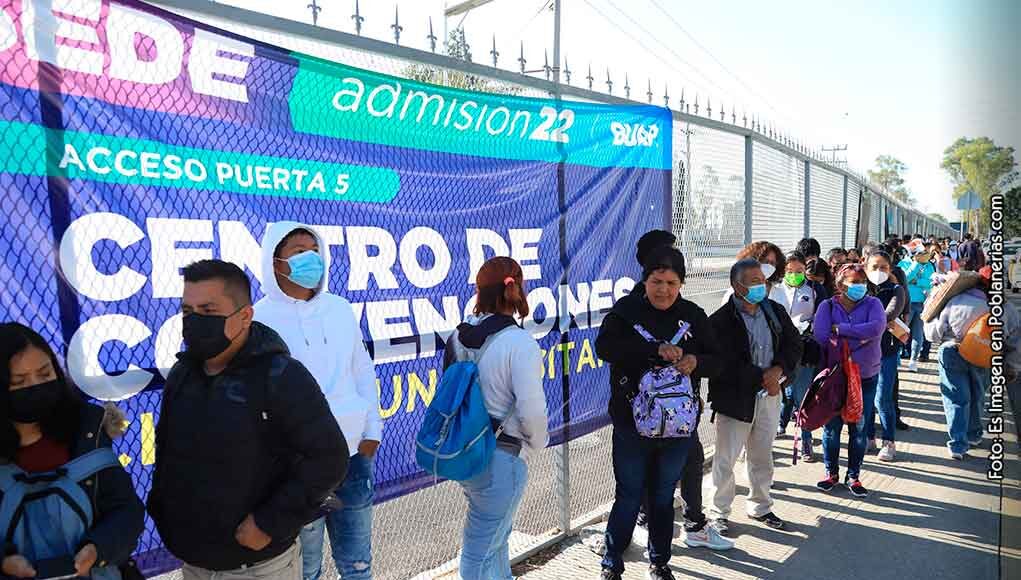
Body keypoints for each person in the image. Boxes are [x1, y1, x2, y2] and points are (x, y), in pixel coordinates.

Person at [148, 260, 348, 580]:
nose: (195, 320)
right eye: (188, 311)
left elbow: (329, 457)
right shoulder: (183, 375)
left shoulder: (281, 376)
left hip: (258, 568)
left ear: (245, 316)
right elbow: (169, 453)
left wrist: (270, 522)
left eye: (209, 310)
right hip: (194, 563)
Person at [253, 223, 381, 580]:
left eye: (314, 249)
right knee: (304, 569)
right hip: (296, 466)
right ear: (275, 261)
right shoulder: (260, 319)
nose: (311, 258)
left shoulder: (339, 309)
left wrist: (372, 431)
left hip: (353, 454)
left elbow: (362, 369)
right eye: (298, 251)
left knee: (357, 565)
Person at [596, 247, 725, 580]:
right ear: (645, 280)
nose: (663, 289)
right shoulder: (626, 311)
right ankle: (612, 559)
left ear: (681, 283)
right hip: (631, 426)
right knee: (628, 492)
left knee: (663, 495)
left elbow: (718, 360)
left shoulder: (694, 316)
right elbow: (605, 348)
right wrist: (653, 349)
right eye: (656, 281)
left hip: (678, 429)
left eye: (671, 282)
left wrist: (696, 361)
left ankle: (660, 561)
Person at [0, 323, 145, 580]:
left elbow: (126, 511)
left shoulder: (88, 430)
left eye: (45, 374)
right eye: (19, 381)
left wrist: (97, 550)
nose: (35, 386)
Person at [445, 257, 548, 580]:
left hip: (464, 451)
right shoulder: (519, 343)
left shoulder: (458, 336)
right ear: (516, 287)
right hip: (502, 455)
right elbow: (532, 410)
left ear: (479, 292)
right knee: (480, 548)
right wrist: (537, 443)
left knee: (497, 539)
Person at [707, 259, 801, 535]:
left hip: (770, 396)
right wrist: (764, 378)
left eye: (763, 280)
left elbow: (794, 345)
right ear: (737, 287)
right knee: (725, 459)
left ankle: (760, 506)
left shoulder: (774, 311)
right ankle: (719, 512)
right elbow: (723, 363)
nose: (762, 285)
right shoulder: (721, 321)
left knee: (762, 456)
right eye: (755, 281)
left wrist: (779, 372)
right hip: (736, 399)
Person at [812, 264, 886, 497]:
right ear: (841, 284)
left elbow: (876, 328)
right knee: (832, 428)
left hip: (865, 375)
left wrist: (842, 330)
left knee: (860, 427)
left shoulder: (874, 304)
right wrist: (858, 340)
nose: (860, 287)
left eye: (862, 282)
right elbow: (822, 336)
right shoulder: (827, 306)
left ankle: (853, 475)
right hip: (835, 376)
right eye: (854, 282)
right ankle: (831, 472)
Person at [923, 270, 991, 459]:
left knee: (956, 399)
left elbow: (934, 334)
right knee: (978, 394)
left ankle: (958, 446)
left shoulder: (954, 301)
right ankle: (974, 434)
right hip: (983, 354)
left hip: (952, 351)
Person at [772, 252, 820, 461]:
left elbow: (819, 316)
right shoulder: (775, 291)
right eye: (789, 271)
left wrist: (808, 326)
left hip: (803, 348)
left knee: (802, 396)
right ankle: (775, 429)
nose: (794, 275)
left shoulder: (813, 291)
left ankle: (805, 441)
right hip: (778, 350)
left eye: (799, 271)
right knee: (781, 395)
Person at [864, 251, 908, 461]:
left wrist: (863, 325)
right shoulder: (859, 288)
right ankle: (869, 437)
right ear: (865, 267)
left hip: (886, 351)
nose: (878, 271)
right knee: (866, 398)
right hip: (862, 352)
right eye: (874, 267)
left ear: (890, 269)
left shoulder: (896, 290)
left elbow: (889, 314)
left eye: (883, 267)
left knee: (883, 398)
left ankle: (888, 442)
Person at [898, 239, 936, 371]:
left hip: (921, 302)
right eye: (919, 252)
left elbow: (930, 282)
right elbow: (905, 278)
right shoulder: (903, 263)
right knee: (901, 331)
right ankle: (897, 357)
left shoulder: (929, 265)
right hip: (905, 303)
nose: (922, 254)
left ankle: (913, 361)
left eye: (923, 252)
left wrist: (917, 281)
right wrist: (915, 265)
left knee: (918, 333)